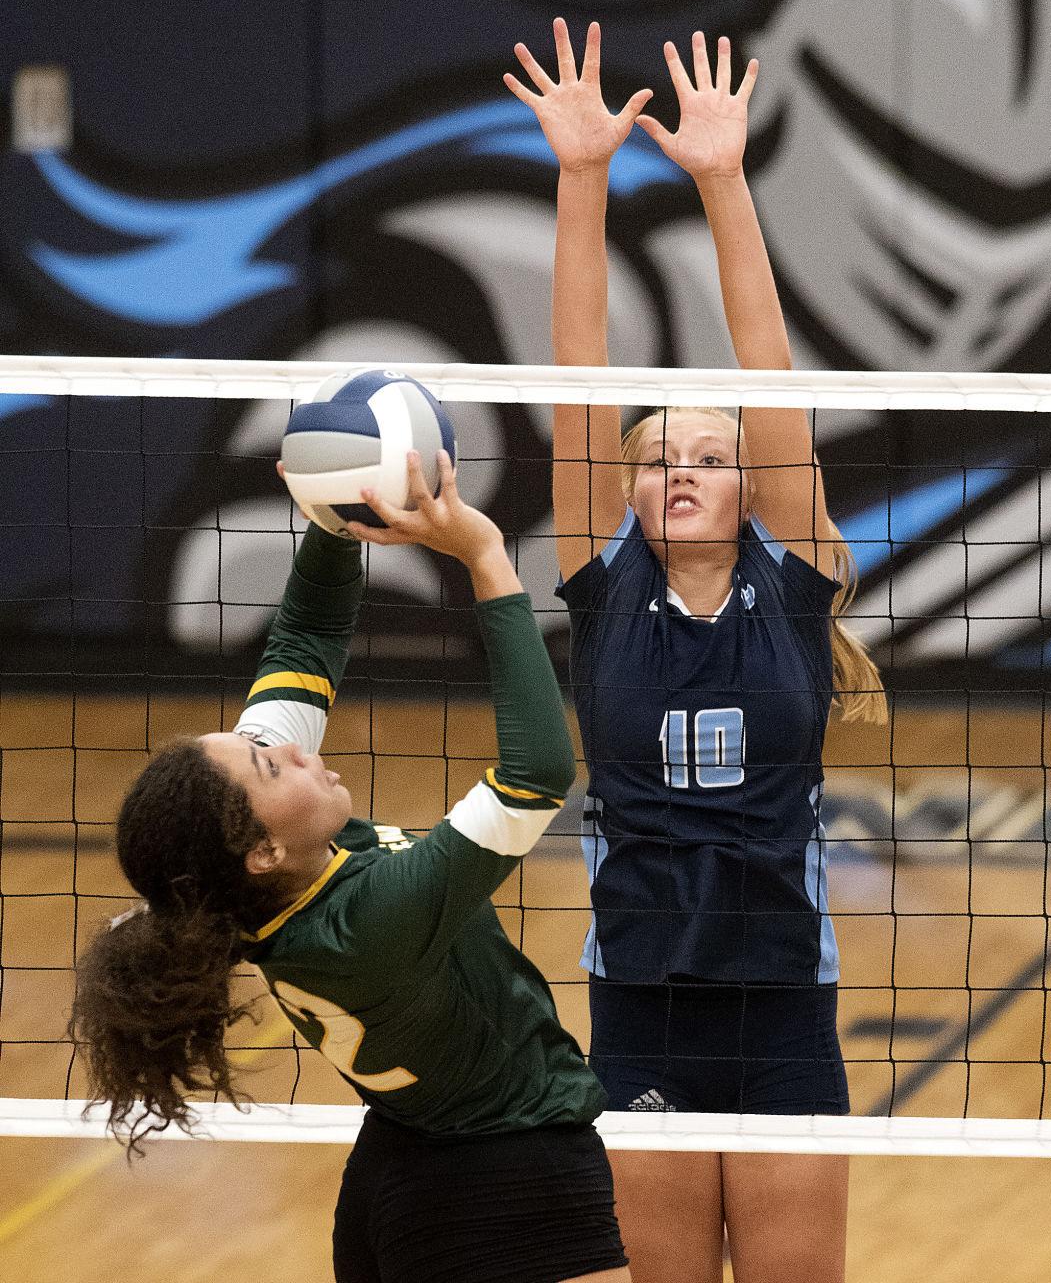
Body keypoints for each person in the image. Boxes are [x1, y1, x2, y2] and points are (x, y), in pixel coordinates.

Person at [504, 19, 885, 1283]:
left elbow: (768, 371)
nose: (681, 468)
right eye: (659, 454)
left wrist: (722, 182)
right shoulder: (602, 589)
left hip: (781, 1004)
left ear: (746, 485)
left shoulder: (794, 587)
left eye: (708, 455)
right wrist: (581, 178)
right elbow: (577, 372)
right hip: (639, 1001)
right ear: (631, 482)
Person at [70, 450, 631, 1283]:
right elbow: (537, 775)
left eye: (263, 741)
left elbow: (303, 638)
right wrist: (484, 558)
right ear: (259, 850)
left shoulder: (264, 883)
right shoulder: (367, 924)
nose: (292, 753)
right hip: (507, 1179)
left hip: (402, 1167)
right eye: (267, 766)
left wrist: (337, 515)